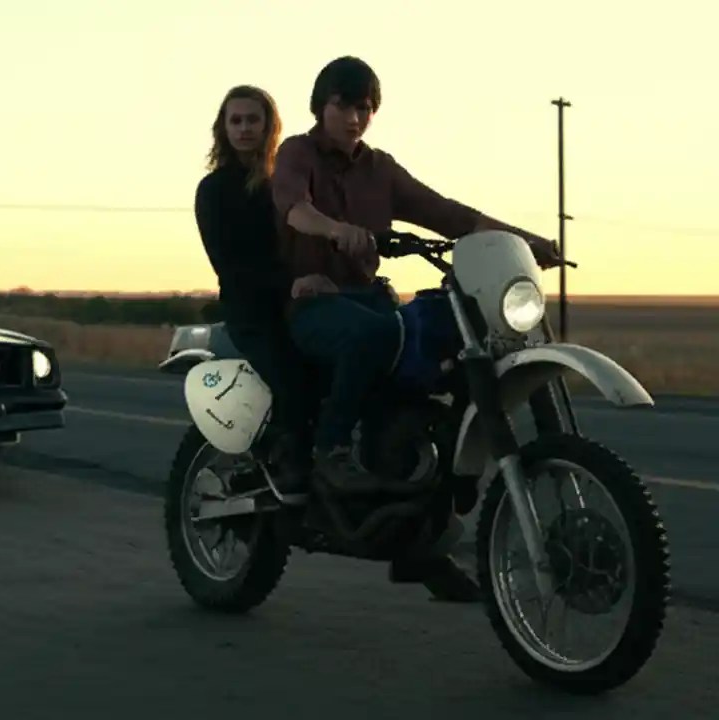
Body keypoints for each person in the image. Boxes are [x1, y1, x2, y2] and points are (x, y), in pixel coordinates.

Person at [270, 56, 563, 599]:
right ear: (321, 106)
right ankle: (330, 450)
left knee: (446, 359)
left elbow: (450, 214)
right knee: (373, 336)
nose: (354, 118)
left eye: (364, 108)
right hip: (312, 301)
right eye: (343, 105)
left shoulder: (380, 169)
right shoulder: (298, 153)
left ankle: (425, 539)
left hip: (368, 299)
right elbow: (294, 209)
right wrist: (338, 231)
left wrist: (528, 241)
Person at [193, 85, 315, 495]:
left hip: (300, 303)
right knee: (293, 381)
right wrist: (292, 283)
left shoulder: (285, 184)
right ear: (223, 129)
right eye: (236, 120)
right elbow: (229, 263)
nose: (245, 128)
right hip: (252, 311)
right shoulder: (213, 190)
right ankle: (285, 470)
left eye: (253, 119)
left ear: (269, 126)